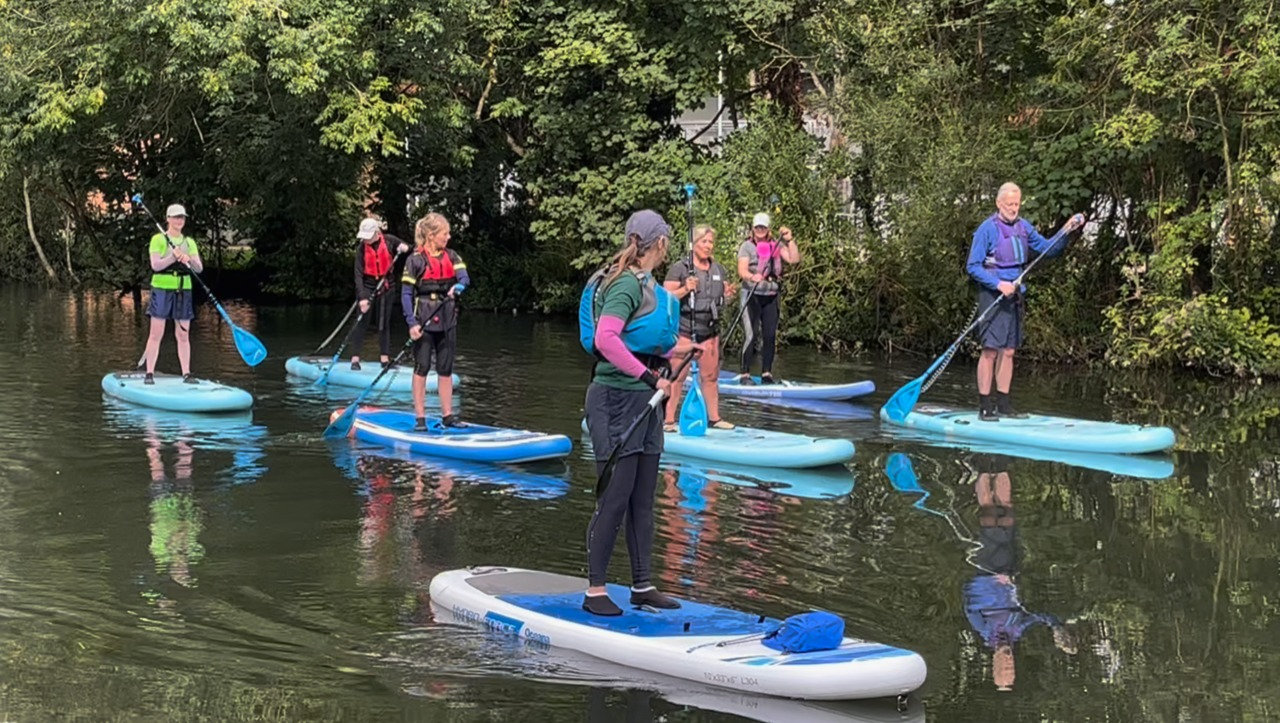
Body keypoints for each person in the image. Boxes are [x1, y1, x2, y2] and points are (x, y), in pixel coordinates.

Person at [582, 209, 685, 616]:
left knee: (643, 499)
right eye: (667, 240)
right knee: (615, 497)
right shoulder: (625, 283)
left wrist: (671, 359)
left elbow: (642, 339)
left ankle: (642, 585)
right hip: (614, 399)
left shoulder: (651, 285)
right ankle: (595, 591)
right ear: (658, 243)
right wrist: (649, 377)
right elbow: (607, 340)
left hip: (646, 402)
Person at [966, 183, 1085, 420]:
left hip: (1016, 294)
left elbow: (1047, 249)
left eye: (1017, 204)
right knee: (990, 350)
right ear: (999, 204)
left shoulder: (1023, 227)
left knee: (1009, 351)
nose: (1013, 208)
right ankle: (984, 407)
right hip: (993, 294)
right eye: (1009, 204)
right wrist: (998, 284)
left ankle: (1004, 404)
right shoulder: (986, 230)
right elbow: (972, 266)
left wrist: (1066, 230)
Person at [962, 455, 1076, 691]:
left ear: (995, 664)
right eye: (1012, 668)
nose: (1009, 663)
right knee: (1006, 510)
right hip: (1009, 567)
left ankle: (983, 466)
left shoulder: (983, 628)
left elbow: (968, 599)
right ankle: (1000, 464)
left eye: (1005, 668)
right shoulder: (1017, 629)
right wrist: (1057, 628)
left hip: (988, 568)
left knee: (989, 512)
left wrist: (994, 580)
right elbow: (1041, 617)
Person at [662, 224, 736, 431]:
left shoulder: (718, 269)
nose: (708, 245)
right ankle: (668, 420)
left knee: (711, 377)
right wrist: (686, 288)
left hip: (710, 330)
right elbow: (666, 297)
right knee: (676, 376)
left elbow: (722, 298)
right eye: (704, 241)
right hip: (685, 329)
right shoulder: (680, 268)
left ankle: (714, 418)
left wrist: (728, 296)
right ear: (694, 244)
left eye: (711, 242)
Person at [401, 213, 468, 430]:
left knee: (445, 368)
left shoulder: (452, 256)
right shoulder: (415, 260)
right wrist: (411, 323)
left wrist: (460, 286)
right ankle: (420, 418)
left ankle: (448, 416)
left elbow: (464, 277)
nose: (448, 237)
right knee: (422, 366)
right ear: (431, 235)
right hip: (424, 319)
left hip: (447, 317)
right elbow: (406, 294)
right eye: (444, 233)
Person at [735, 212, 799, 385]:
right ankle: (745, 374)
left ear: (768, 228)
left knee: (769, 335)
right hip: (751, 294)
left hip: (771, 296)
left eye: (763, 227)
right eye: (757, 227)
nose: (760, 230)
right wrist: (751, 276)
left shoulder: (775, 245)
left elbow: (794, 259)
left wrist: (790, 240)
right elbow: (742, 269)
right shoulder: (747, 246)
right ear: (753, 229)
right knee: (751, 334)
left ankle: (766, 374)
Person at [142, 204, 202, 384]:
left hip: (184, 289)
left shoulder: (189, 242)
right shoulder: (158, 240)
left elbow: (198, 268)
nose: (179, 221)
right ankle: (149, 373)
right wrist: (173, 257)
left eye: (182, 217)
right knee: (156, 333)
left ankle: (186, 373)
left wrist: (188, 258)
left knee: (183, 334)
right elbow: (156, 266)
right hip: (162, 288)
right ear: (168, 219)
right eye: (176, 217)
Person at [350, 216, 410, 370]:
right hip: (367, 286)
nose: (365, 240)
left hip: (386, 286)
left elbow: (410, 248)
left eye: (367, 236)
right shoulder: (361, 249)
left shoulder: (390, 240)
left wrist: (405, 248)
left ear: (376, 233)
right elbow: (358, 275)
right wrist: (362, 297)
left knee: (383, 323)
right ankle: (355, 359)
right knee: (361, 322)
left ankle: (385, 360)